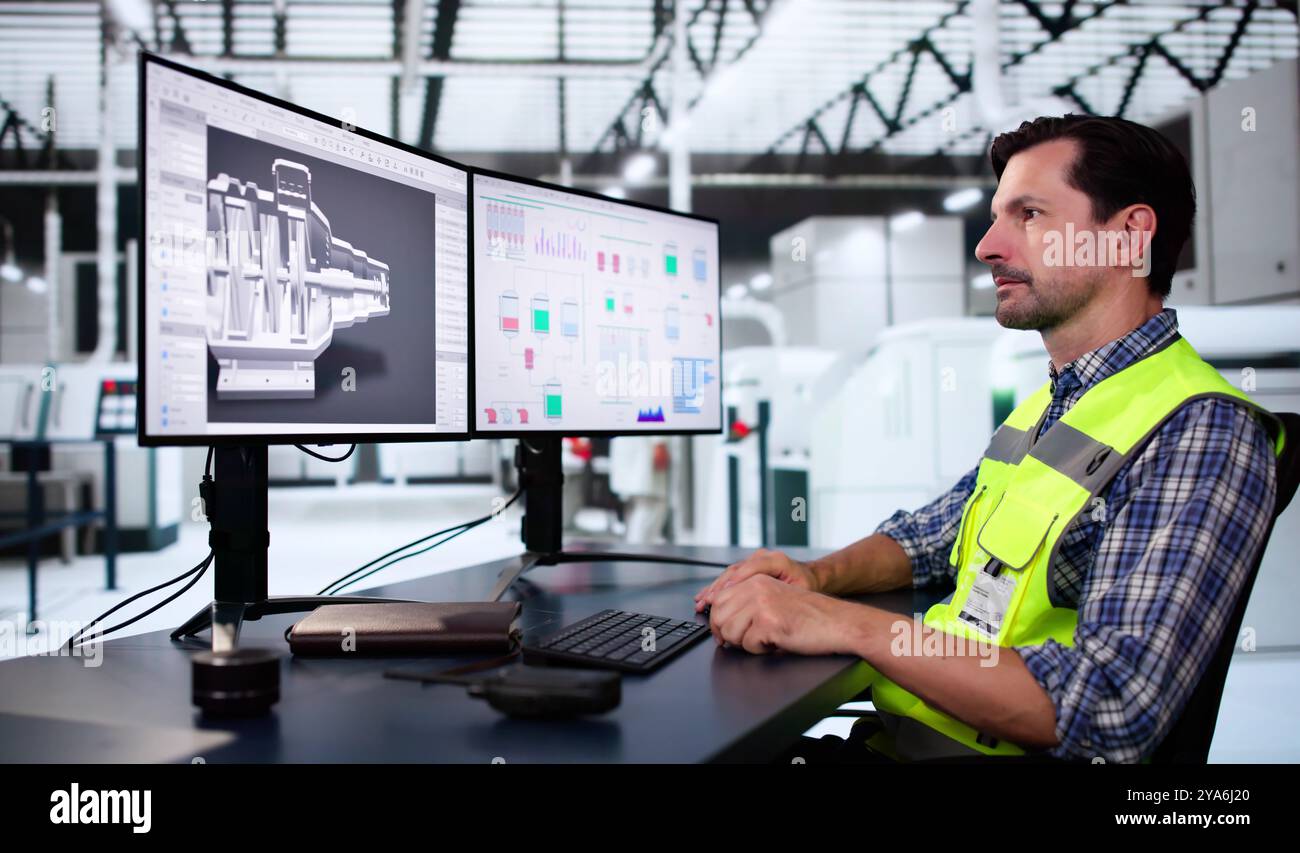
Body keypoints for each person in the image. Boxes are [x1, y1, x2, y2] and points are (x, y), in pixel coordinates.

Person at [694, 115, 1285, 763]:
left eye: (1029, 214)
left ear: (1128, 235)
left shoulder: (1200, 429)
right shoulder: (1049, 406)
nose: (988, 246)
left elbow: (1109, 706)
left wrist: (840, 622)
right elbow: (930, 537)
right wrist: (815, 575)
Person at [609, 436, 671, 545]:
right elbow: (649, 418)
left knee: (634, 516)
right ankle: (637, 558)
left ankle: (631, 557)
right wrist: (660, 441)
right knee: (650, 508)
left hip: (630, 454)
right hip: (643, 457)